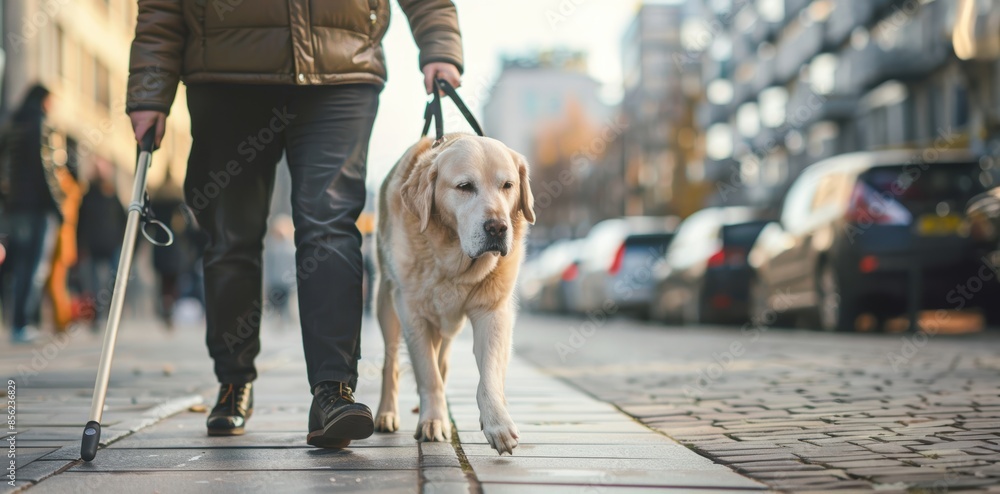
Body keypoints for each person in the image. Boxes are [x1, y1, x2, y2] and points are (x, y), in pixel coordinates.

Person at [126, 0, 464, 447]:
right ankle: (233, 382)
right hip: (227, 71)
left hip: (340, 66)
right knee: (230, 235)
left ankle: (332, 391)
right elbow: (162, 6)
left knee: (330, 224)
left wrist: (440, 43)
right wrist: (150, 90)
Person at [0, 84, 65, 343]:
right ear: (43, 100)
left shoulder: (12, 123)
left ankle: (17, 322)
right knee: (34, 267)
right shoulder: (39, 123)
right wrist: (56, 206)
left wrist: (6, 198)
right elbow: (44, 169)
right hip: (36, 208)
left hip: (15, 208)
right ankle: (22, 324)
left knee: (18, 267)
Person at [76, 170, 127, 330]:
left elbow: (124, 221)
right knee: (95, 284)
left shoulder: (112, 196)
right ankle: (96, 317)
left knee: (114, 283)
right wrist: (80, 246)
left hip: (111, 245)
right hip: (93, 246)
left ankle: (113, 314)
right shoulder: (88, 197)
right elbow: (80, 224)